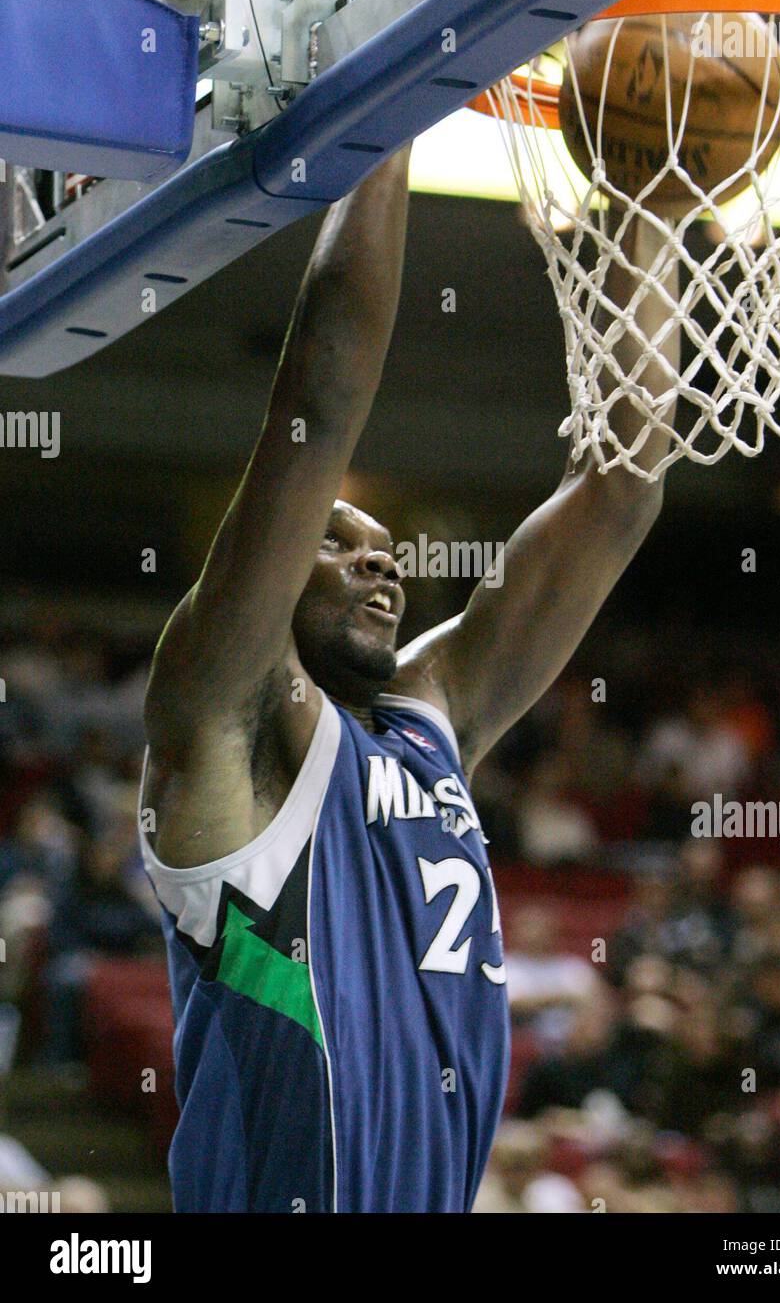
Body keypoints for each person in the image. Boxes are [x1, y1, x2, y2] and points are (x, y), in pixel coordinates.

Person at [140, 148, 677, 1212]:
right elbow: (323, 391)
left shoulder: (430, 718)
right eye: (338, 542)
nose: (380, 560)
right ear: (266, 565)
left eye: (388, 548)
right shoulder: (222, 710)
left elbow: (618, 485)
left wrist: (653, 198)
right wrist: (394, 107)